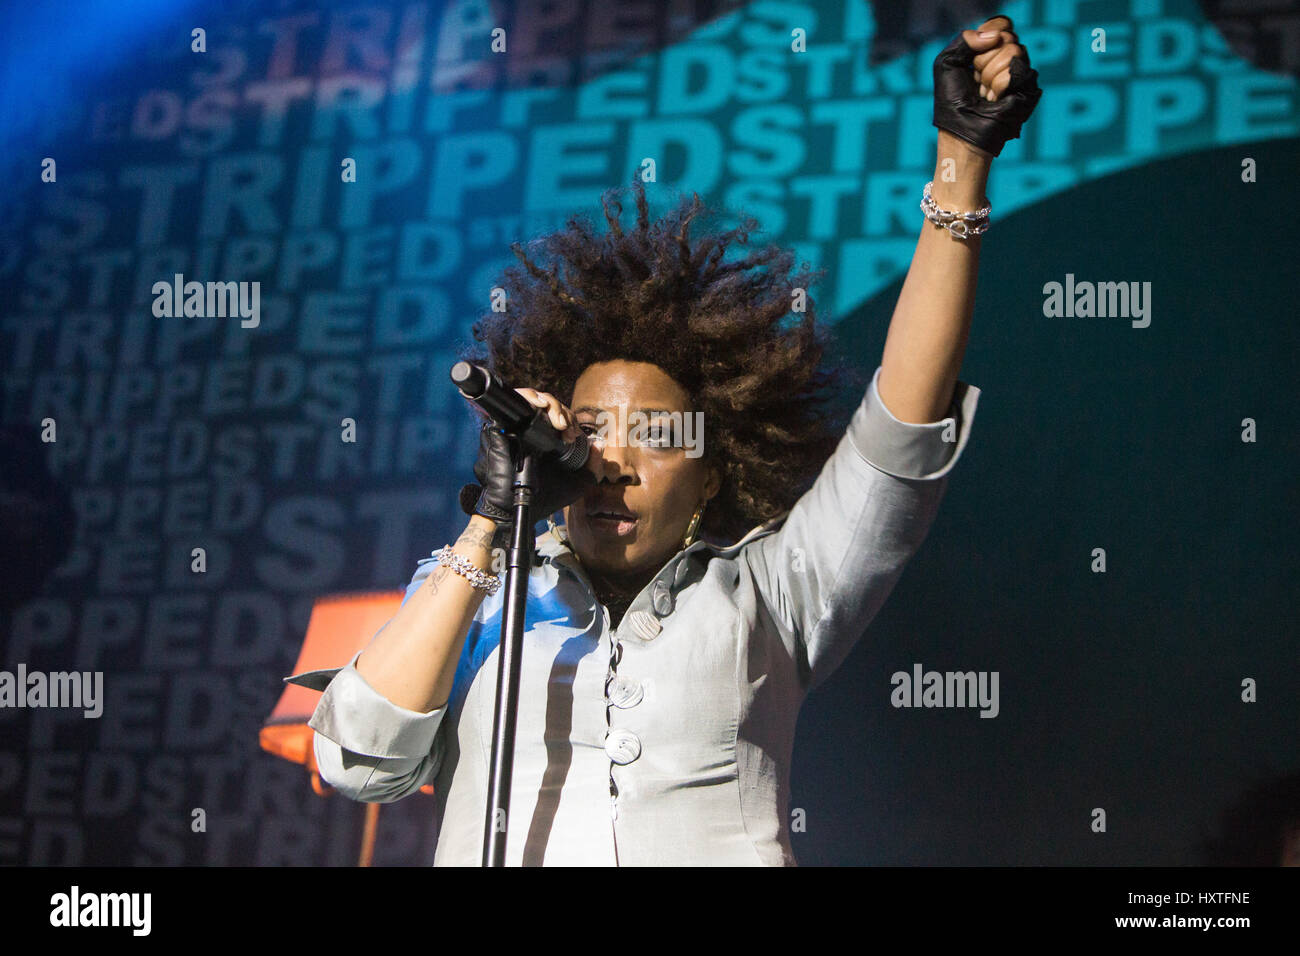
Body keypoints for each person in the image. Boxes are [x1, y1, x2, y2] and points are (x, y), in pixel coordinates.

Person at [287, 15, 1041, 865]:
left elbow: (899, 430)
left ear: (713, 472)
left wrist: (962, 163)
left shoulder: (773, 593)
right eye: (591, 430)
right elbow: (358, 758)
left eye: (653, 434)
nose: (612, 458)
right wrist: (490, 523)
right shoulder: (481, 594)